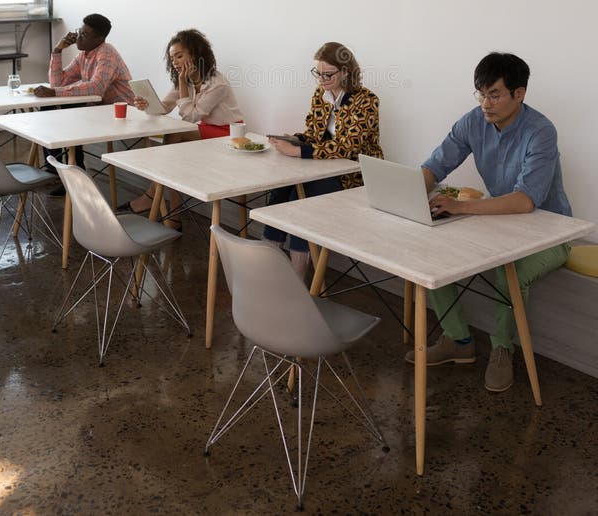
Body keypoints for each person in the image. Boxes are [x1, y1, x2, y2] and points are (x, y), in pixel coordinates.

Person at [405, 52, 572, 394]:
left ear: (519, 93)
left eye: (494, 94)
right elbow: (435, 166)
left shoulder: (541, 132)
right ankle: (458, 340)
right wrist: (407, 195)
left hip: (552, 232)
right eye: (480, 93)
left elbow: (525, 201)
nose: (485, 103)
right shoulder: (473, 121)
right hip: (499, 225)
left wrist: (458, 207)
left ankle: (501, 348)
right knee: (431, 253)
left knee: (510, 271)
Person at [264, 41, 383, 278]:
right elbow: (313, 134)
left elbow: (349, 146)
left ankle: (297, 276)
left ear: (346, 72)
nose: (321, 79)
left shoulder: (367, 100)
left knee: (303, 203)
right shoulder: (321, 94)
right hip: (324, 166)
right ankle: (268, 263)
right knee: (282, 189)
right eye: (317, 73)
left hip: (355, 176)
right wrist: (295, 140)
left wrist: (299, 152)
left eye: (328, 74)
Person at [125, 29, 243, 223]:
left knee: (175, 135)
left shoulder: (217, 83)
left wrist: (181, 82)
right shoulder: (185, 80)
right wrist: (147, 105)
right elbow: (164, 107)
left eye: (179, 56)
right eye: (172, 59)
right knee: (173, 156)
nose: (175, 62)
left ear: (195, 55)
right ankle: (170, 212)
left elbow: (191, 116)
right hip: (207, 131)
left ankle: (156, 199)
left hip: (229, 133)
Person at [35, 13, 133, 178]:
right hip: (99, 110)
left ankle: (75, 170)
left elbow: (96, 88)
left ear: (100, 38)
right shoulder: (84, 55)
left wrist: (54, 92)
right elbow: (58, 83)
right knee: (49, 106)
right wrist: (58, 50)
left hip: (123, 113)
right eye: (79, 32)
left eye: (85, 35)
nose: (78, 38)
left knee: (69, 107)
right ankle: (55, 170)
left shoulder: (107, 52)